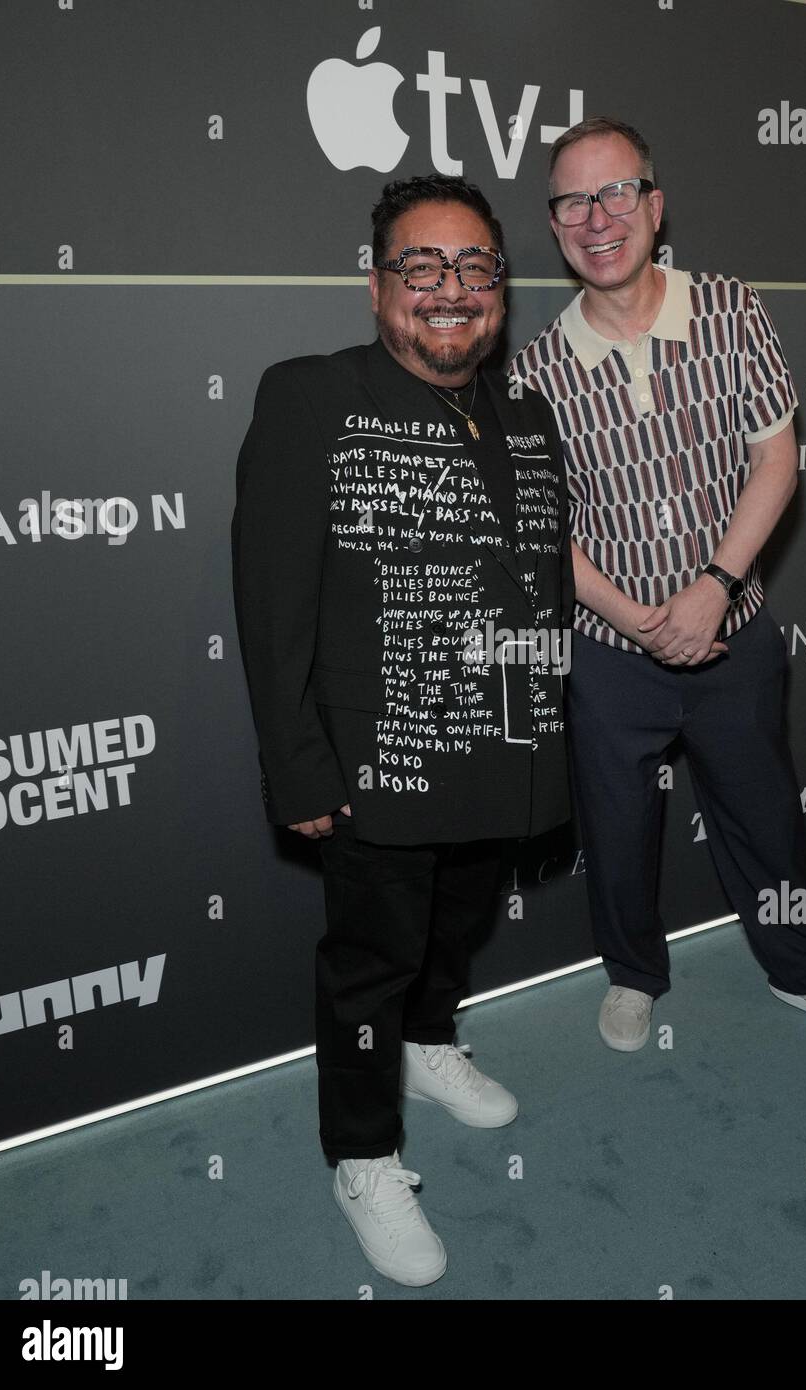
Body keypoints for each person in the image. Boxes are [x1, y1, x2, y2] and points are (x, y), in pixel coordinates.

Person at [231, 174, 573, 1287]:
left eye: (474, 268)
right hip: (378, 763)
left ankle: (433, 1045)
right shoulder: (310, 396)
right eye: (420, 266)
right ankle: (363, 1154)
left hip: (504, 748)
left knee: (454, 929)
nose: (449, 290)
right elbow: (273, 597)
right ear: (374, 282)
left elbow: (537, 588)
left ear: (500, 290)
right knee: (370, 964)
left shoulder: (526, 413)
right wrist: (297, 760)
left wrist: (547, 744)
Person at [509, 117, 806, 1055]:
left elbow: (777, 456)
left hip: (736, 634)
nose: (597, 217)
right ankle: (634, 975)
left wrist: (714, 587)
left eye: (615, 193)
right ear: (555, 225)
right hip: (608, 654)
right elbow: (542, 532)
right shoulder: (532, 373)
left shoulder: (729, 306)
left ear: (653, 202)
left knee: (765, 820)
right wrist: (637, 618)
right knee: (618, 831)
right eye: (573, 201)